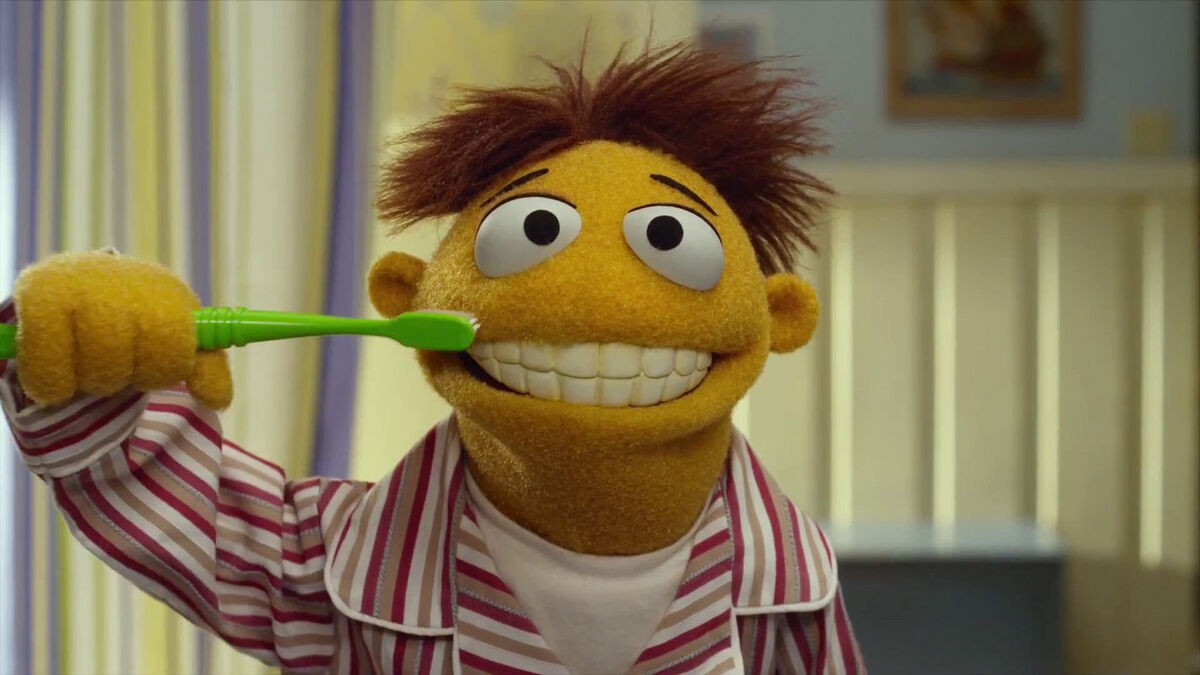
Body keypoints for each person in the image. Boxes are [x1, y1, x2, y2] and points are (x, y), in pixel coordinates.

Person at [2, 43, 864, 674]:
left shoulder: (792, 597)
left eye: (669, 243)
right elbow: (145, 485)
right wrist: (86, 352)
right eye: (532, 234)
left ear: (780, 315)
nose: (596, 293)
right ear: (407, 298)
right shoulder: (331, 566)